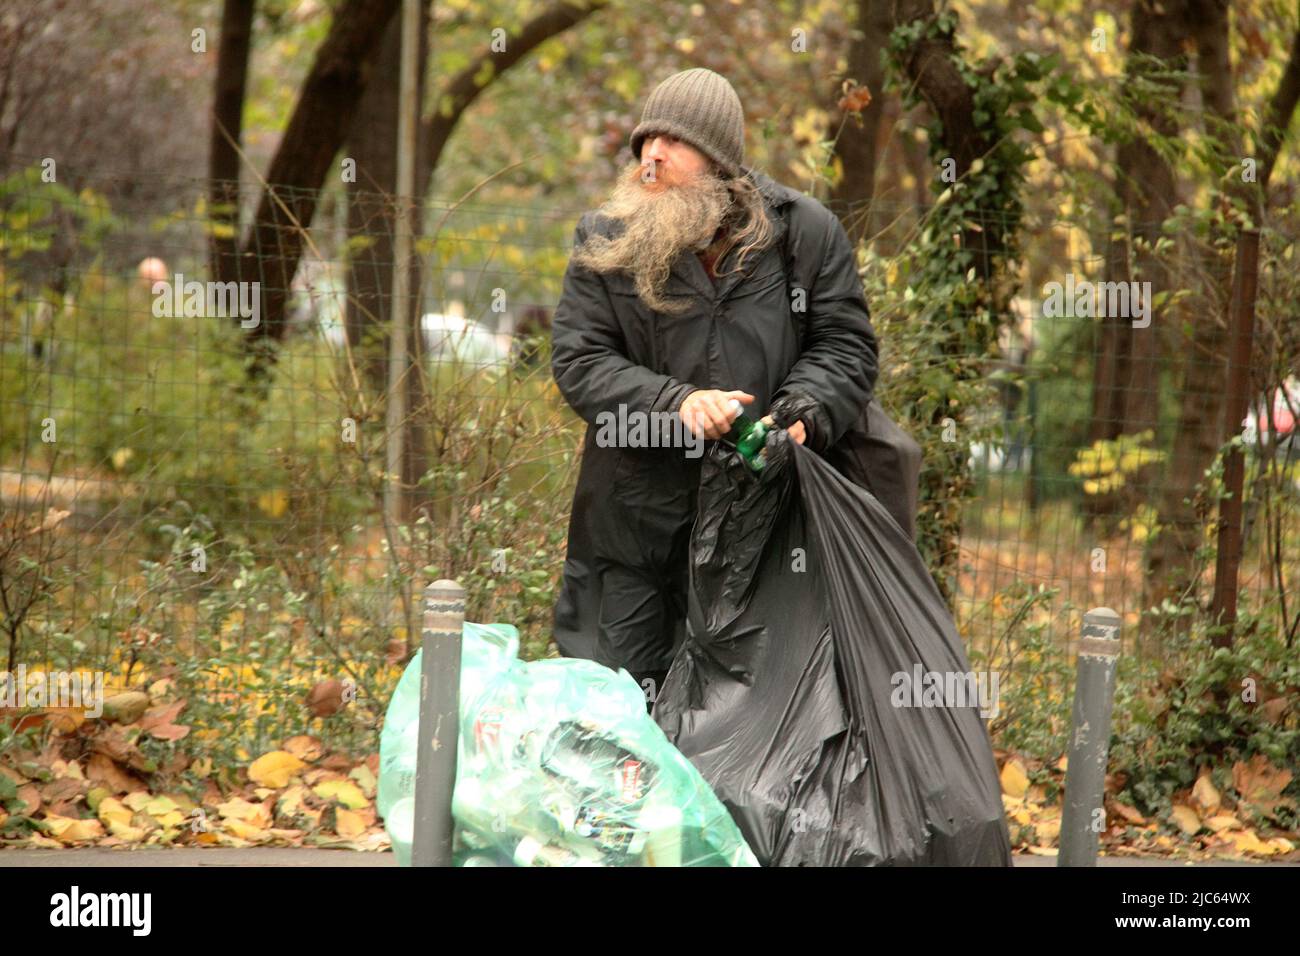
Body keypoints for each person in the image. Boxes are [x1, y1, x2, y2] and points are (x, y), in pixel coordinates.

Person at [550, 68, 878, 702]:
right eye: (646, 139)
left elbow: (845, 345)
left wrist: (802, 413)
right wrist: (675, 404)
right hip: (633, 528)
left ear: (720, 161)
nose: (653, 154)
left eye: (675, 140)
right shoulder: (606, 240)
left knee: (742, 728)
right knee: (619, 716)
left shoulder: (801, 235)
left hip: (761, 530)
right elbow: (580, 358)